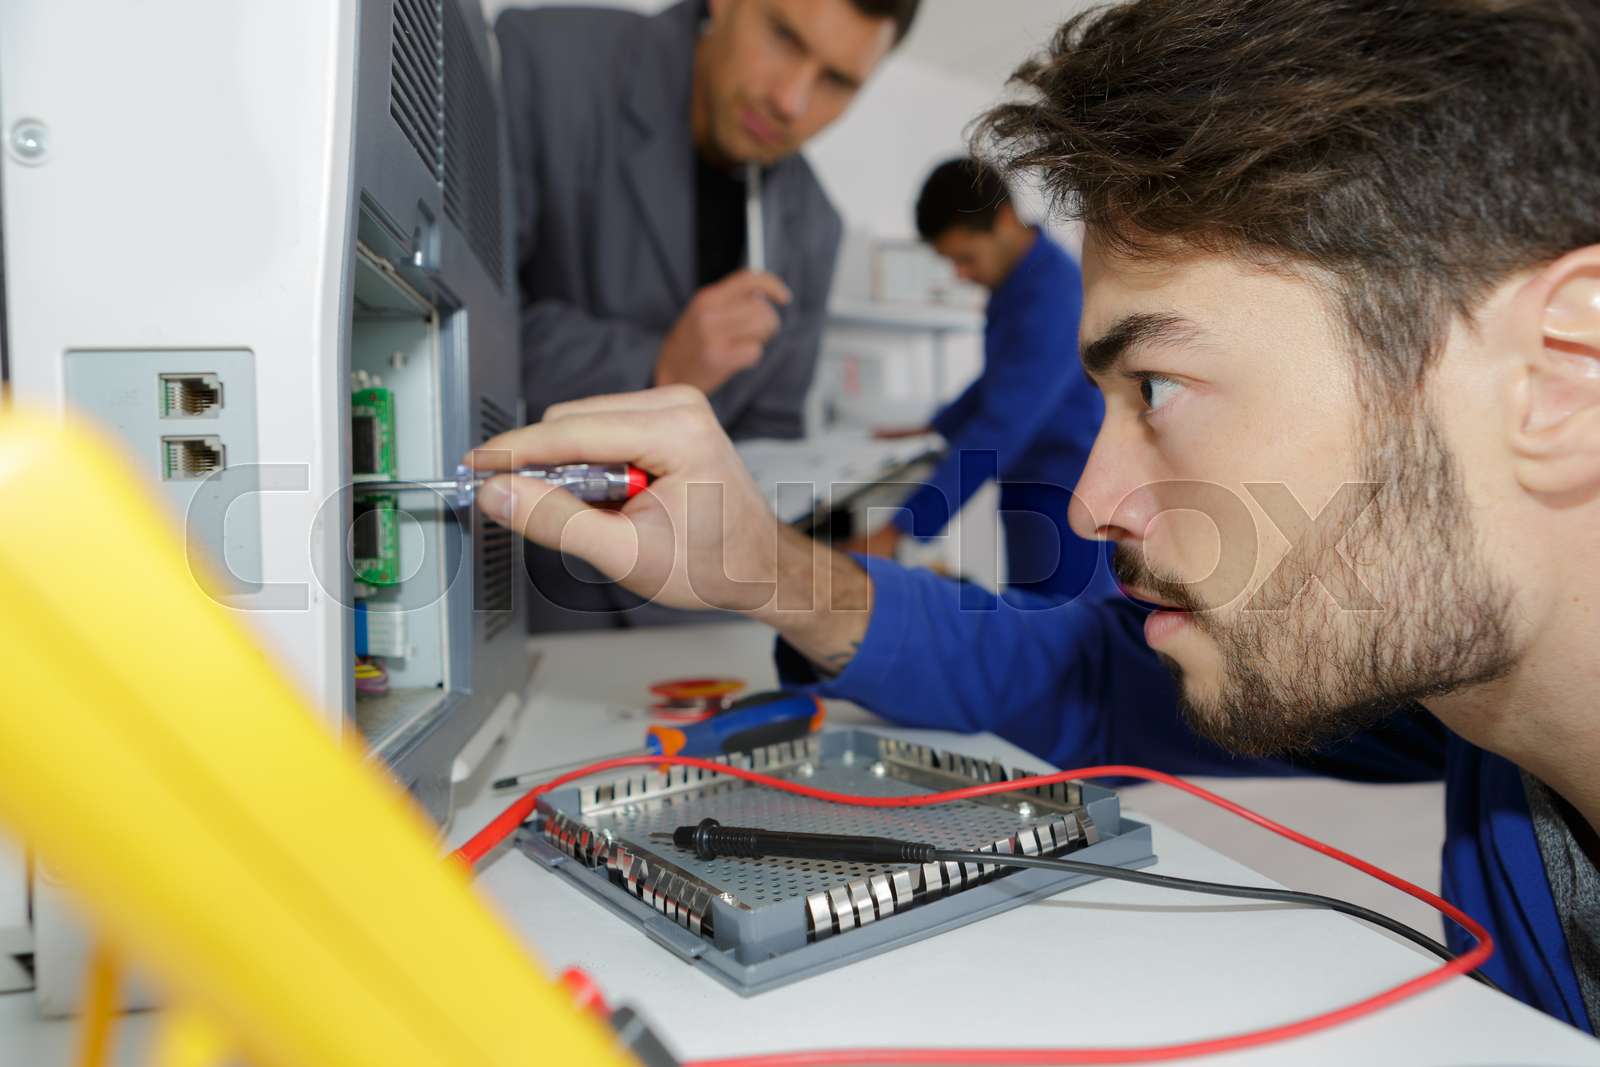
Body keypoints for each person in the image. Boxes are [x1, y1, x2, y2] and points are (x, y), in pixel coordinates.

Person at [472, 0, 1600, 1034]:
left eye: (1157, 386)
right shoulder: (1459, 699)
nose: (1094, 503)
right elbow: (1086, 675)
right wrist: (768, 568)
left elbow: (1007, 424)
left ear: (1559, 374)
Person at [497, 0, 918, 629]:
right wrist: (659, 365)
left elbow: (769, 449)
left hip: (703, 617)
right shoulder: (547, 63)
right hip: (526, 600)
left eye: (836, 81)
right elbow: (463, 337)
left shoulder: (813, 228)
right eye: (782, 36)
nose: (792, 101)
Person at [847, 158, 1109, 599]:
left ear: (1004, 220)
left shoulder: (1052, 296)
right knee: (1031, 625)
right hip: (1032, 487)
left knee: (1064, 637)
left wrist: (898, 531)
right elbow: (1001, 378)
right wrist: (938, 423)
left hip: (1067, 498)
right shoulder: (1017, 283)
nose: (961, 275)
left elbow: (1001, 427)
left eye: (966, 259)